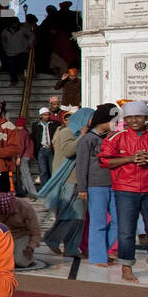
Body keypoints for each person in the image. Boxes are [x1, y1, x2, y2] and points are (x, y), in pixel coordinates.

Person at [100, 100, 148, 285]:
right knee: (126, 231)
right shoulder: (115, 137)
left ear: (146, 117)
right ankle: (126, 268)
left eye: (138, 116)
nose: (134, 120)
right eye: (129, 117)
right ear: (125, 118)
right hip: (125, 189)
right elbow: (105, 161)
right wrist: (130, 158)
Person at [39, 107, 90, 257]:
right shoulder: (66, 132)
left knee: (79, 217)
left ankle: (71, 248)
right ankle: (52, 238)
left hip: (79, 179)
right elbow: (68, 151)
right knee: (71, 215)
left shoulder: (76, 132)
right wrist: (82, 137)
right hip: (69, 180)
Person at [75, 103, 120, 266]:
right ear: (103, 120)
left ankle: (102, 250)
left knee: (119, 220)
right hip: (96, 186)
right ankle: (97, 256)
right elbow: (81, 165)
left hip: (115, 185)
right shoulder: (88, 139)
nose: (117, 122)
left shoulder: (112, 138)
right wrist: (82, 188)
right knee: (98, 222)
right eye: (114, 120)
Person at [0, 191, 41, 268]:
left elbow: (36, 233)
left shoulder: (25, 208)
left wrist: (31, 247)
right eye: (2, 214)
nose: (6, 216)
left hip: (18, 236)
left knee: (21, 262)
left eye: (10, 214)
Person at [32, 107, 59, 186]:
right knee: (43, 171)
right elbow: (34, 139)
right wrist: (35, 152)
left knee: (52, 170)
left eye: (48, 114)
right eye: (44, 115)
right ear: (41, 116)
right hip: (41, 149)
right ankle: (44, 189)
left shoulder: (55, 124)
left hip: (51, 149)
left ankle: (53, 188)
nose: (47, 116)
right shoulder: (36, 125)